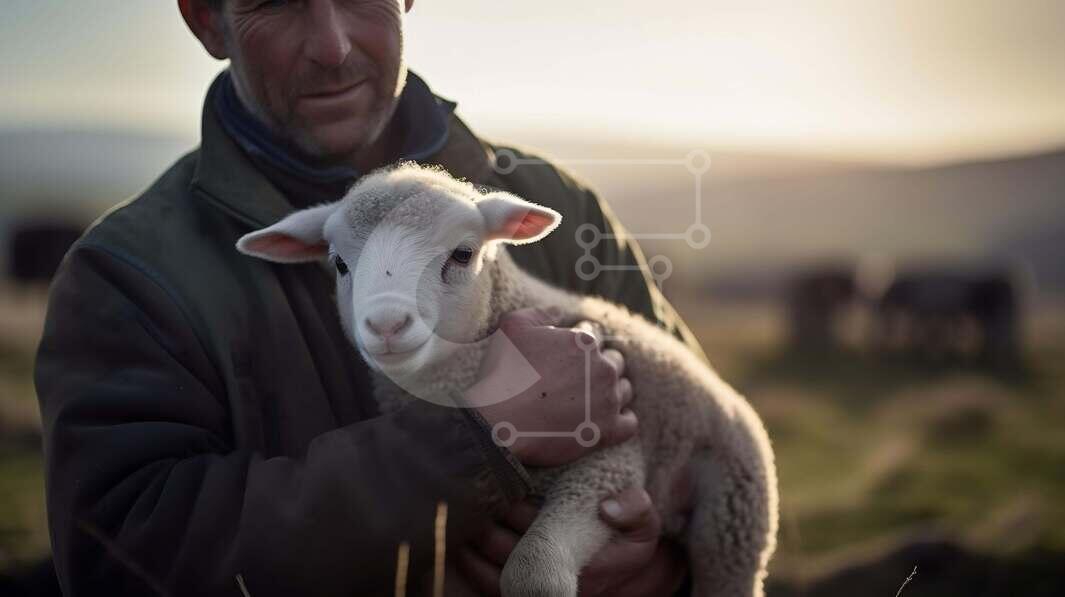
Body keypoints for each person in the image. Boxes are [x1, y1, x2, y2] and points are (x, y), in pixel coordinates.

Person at [34, 1, 707, 595]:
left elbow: (708, 443)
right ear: (208, 19)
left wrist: (668, 569)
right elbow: (120, 559)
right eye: (279, 2)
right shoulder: (128, 277)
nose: (331, 45)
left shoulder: (559, 209)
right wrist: (479, 433)